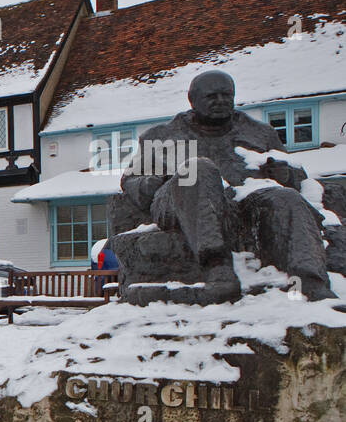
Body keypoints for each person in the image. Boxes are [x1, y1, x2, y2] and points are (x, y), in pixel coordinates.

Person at [117, 70, 337, 302]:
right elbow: (130, 180)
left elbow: (298, 176)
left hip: (242, 203)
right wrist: (155, 182)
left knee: (286, 196)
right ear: (193, 100)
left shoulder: (260, 133)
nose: (221, 101)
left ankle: (311, 280)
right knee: (199, 169)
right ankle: (218, 270)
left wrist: (286, 174)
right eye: (212, 97)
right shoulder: (162, 135)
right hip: (181, 202)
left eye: (227, 95)